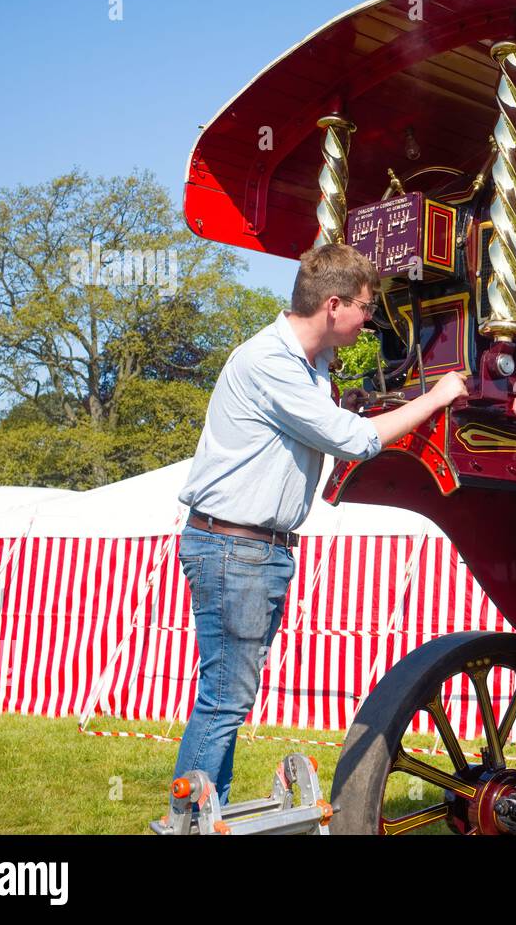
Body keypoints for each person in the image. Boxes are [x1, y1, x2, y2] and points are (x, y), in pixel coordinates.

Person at [171, 243, 467, 804]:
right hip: (236, 547)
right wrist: (437, 395)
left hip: (253, 548)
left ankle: (212, 812)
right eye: (365, 306)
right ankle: (187, 819)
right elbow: (354, 441)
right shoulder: (270, 363)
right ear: (333, 306)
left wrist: (344, 401)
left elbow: (329, 423)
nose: (370, 319)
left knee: (227, 695)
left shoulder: (310, 367)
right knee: (225, 698)